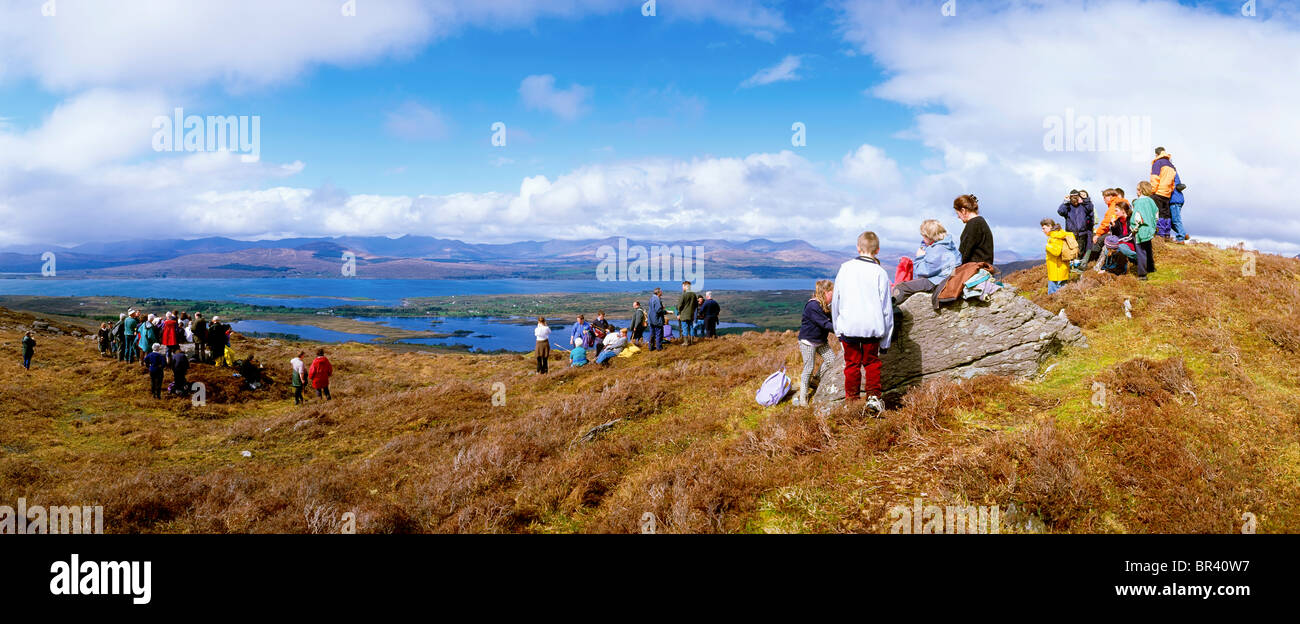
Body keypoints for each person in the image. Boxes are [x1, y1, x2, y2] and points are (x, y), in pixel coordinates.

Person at [832, 231, 893, 414]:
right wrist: (886, 340)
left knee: (851, 365)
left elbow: (836, 301)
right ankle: (873, 399)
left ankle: (852, 401)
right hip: (872, 327)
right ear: (878, 250)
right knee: (872, 363)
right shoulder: (880, 272)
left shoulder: (845, 268)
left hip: (848, 327)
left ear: (858, 247)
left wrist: (837, 329)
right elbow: (886, 309)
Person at [892, 219, 959, 304]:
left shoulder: (938, 249)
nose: (923, 238)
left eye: (924, 236)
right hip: (946, 278)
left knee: (901, 287)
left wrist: (920, 256)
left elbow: (924, 272)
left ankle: (893, 311)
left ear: (929, 236)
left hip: (936, 280)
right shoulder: (948, 244)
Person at [795, 280, 836, 407]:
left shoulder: (825, 305)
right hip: (808, 342)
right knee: (808, 368)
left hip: (820, 341)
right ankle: (803, 399)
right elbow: (825, 324)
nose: (833, 296)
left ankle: (816, 380)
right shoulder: (813, 306)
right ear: (825, 293)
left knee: (832, 361)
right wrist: (841, 330)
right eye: (832, 293)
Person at [1056, 189, 1095, 266]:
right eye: (1073, 198)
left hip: (1082, 233)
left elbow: (1090, 208)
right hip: (1071, 233)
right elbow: (1060, 211)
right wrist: (1065, 202)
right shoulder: (1067, 207)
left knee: (1080, 251)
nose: (1075, 200)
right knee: (1071, 250)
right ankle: (1071, 267)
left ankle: (1078, 267)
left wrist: (1085, 199)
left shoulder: (1083, 206)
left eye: (1076, 197)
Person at [954, 194, 994, 265]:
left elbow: (964, 253)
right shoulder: (979, 222)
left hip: (975, 267)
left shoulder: (973, 224)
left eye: (958, 213)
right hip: (984, 266)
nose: (958, 217)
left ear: (963, 211)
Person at [1149, 148, 1178, 239]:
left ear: (1156, 154)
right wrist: (1170, 191)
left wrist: (1152, 191)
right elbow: (1173, 182)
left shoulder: (1157, 163)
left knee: (1159, 213)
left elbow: (1155, 178)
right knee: (1166, 214)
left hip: (1158, 192)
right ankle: (1166, 234)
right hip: (1167, 193)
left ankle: (1160, 235)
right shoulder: (1172, 166)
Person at [1132, 181, 1160, 275]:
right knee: (1148, 249)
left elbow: (1136, 216)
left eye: (1137, 189)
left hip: (1141, 230)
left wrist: (1133, 227)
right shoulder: (1151, 201)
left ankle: (1142, 274)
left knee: (1141, 252)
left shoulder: (1138, 202)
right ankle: (1151, 268)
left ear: (1140, 190)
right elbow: (1156, 214)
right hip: (1150, 229)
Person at [1042, 219, 1071, 294]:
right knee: (1062, 295)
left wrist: (1047, 246)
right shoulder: (1057, 235)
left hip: (1057, 273)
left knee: (1053, 296)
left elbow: (1056, 252)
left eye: (1044, 228)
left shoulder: (1055, 237)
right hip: (1059, 270)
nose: (1043, 230)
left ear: (1049, 226)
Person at [676, 281, 699, 346]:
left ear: (686, 286)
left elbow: (679, 305)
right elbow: (696, 305)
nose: (682, 287)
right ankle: (692, 341)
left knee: (684, 328)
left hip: (684, 314)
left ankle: (686, 342)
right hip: (691, 314)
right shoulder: (693, 294)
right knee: (691, 327)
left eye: (683, 286)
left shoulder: (684, 294)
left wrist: (679, 312)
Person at [1169, 172, 1188, 243]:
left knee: (1176, 220)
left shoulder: (1170, 172)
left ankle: (1180, 238)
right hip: (1176, 199)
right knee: (1172, 221)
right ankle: (1183, 233)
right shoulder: (1173, 172)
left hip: (1175, 200)